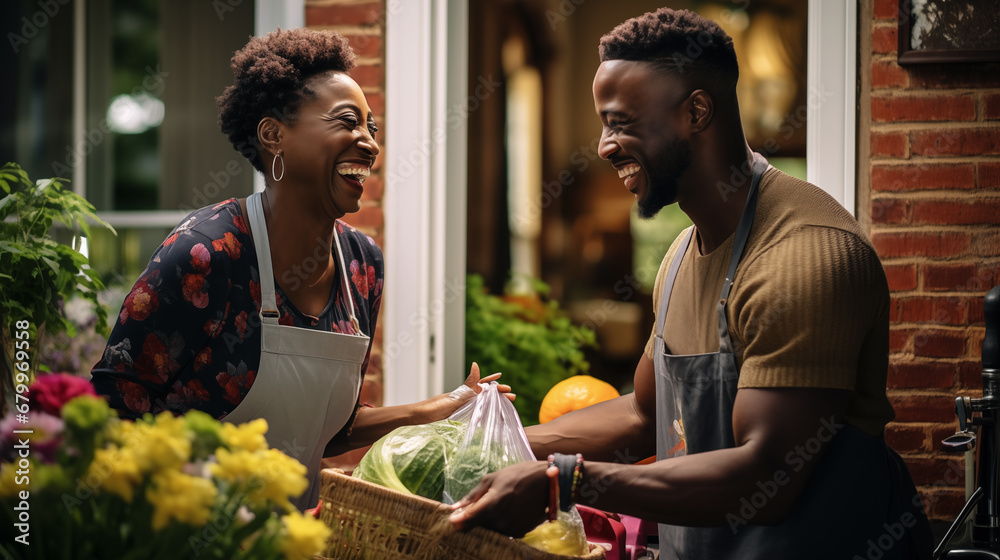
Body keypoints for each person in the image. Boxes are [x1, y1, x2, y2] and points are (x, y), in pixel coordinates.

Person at [449, 8, 933, 559]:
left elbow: (765, 477)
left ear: (696, 112)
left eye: (620, 122)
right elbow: (642, 415)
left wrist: (565, 481)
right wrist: (484, 448)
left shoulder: (805, 256)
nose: (604, 146)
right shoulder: (681, 255)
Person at [90, 28, 510, 510]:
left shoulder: (362, 267)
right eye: (348, 122)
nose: (370, 144)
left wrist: (438, 409)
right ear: (274, 136)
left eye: (371, 129)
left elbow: (325, 431)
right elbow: (112, 409)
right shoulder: (206, 254)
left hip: (297, 538)